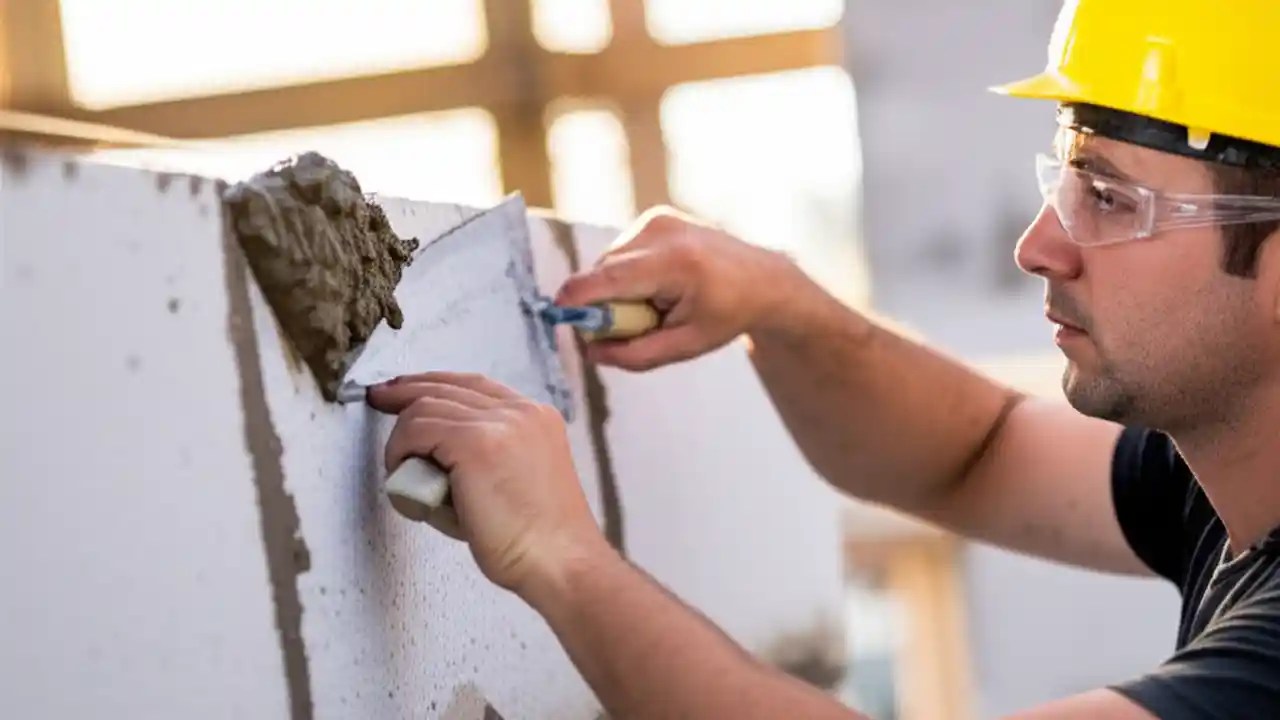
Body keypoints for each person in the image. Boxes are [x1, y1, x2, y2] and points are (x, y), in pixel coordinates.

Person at [367, 1, 1280, 717]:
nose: (1039, 244)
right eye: (1067, 180)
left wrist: (556, 555)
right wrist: (779, 304)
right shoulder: (1230, 478)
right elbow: (980, 452)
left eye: (1112, 199)